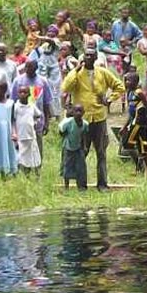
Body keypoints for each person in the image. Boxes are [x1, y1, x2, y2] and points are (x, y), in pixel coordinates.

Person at [60, 44, 127, 191]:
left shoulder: (102, 72)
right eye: (86, 55)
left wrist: (109, 100)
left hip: (99, 118)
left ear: (96, 57)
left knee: (101, 152)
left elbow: (119, 86)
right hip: (81, 121)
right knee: (81, 152)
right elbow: (65, 87)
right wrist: (75, 70)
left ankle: (102, 184)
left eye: (91, 55)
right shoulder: (77, 73)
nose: (88, 57)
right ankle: (81, 184)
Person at [14, 85, 42, 176]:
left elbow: (38, 115)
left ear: (29, 94)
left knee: (33, 156)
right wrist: (14, 133)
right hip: (20, 136)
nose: (22, 94)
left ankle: (34, 174)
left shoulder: (31, 106)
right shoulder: (16, 107)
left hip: (31, 135)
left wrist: (35, 122)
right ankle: (20, 174)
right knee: (21, 157)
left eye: (25, 92)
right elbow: (12, 120)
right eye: (20, 92)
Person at [59, 105, 89, 190]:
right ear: (73, 112)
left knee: (81, 167)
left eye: (80, 111)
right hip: (68, 147)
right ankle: (66, 187)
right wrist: (66, 139)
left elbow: (84, 135)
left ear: (83, 113)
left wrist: (84, 146)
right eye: (76, 111)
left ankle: (81, 186)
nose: (78, 113)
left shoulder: (85, 124)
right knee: (67, 166)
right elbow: (61, 131)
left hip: (78, 147)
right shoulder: (68, 123)